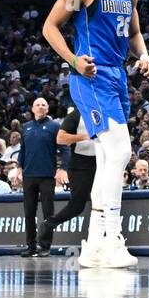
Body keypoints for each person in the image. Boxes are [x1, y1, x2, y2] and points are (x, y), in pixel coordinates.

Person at [41, 0, 149, 268]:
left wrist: (145, 57)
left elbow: (134, 33)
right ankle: (111, 237)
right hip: (90, 76)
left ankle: (93, 244)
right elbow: (50, 26)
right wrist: (74, 59)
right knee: (121, 150)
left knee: (108, 157)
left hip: (118, 75)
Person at [38, 106, 98, 252]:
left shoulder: (106, 110)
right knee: (77, 206)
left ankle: (99, 241)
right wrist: (85, 136)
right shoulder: (76, 114)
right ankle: (49, 223)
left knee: (103, 201)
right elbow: (60, 138)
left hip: (101, 163)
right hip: (80, 165)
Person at [18, 98, 60, 258]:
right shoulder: (26, 127)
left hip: (47, 175)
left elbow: (63, 149)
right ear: (32, 108)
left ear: (47, 108)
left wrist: (62, 169)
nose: (41, 107)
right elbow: (22, 150)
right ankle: (31, 245)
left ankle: (45, 246)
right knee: (29, 212)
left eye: (44, 104)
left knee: (48, 213)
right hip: (29, 175)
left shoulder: (55, 126)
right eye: (37, 104)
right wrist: (19, 169)